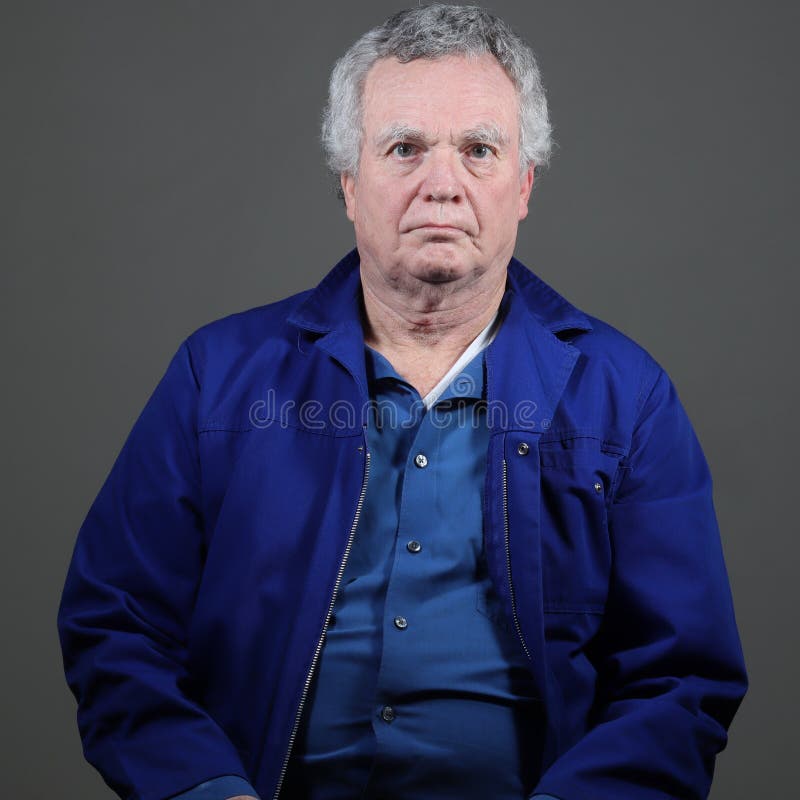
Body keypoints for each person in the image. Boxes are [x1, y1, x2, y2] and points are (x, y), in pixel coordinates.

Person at [57, 5, 748, 800]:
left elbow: (683, 678)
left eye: (479, 150)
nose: (442, 185)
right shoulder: (216, 376)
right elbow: (115, 627)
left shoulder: (628, 399)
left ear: (523, 186)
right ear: (350, 183)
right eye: (404, 148)